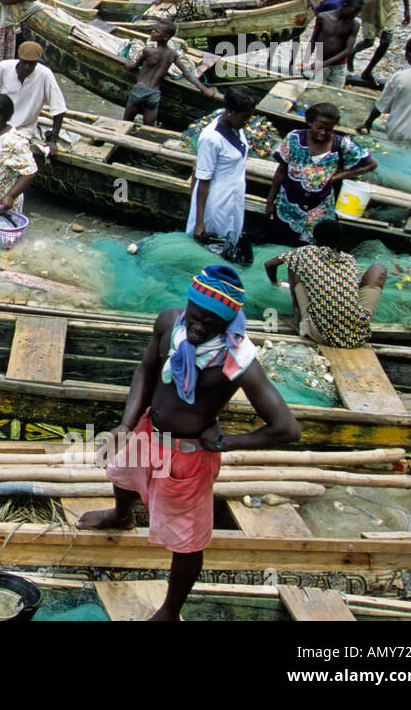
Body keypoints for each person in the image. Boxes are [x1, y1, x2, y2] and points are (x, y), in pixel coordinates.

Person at [75, 265, 300, 620]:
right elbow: (147, 370)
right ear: (187, 306)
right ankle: (121, 516)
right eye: (196, 318)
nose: (198, 328)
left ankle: (169, 610)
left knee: (187, 542)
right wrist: (126, 424)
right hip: (149, 431)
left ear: (228, 323)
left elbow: (287, 428)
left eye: (210, 325)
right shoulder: (169, 323)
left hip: (188, 456)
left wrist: (228, 441)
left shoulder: (237, 359)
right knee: (123, 476)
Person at [265, 102, 376, 246]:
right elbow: (281, 170)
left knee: (311, 253)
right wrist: (270, 202)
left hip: (320, 217)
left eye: (328, 130)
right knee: (281, 247)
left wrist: (338, 176)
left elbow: (371, 164)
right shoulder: (294, 139)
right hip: (288, 210)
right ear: (310, 122)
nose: (323, 133)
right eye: (319, 128)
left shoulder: (341, 145)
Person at [264, 219, 387, 347]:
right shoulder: (349, 261)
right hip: (356, 337)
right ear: (339, 242)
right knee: (378, 268)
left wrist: (275, 284)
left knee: (293, 263)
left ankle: (300, 318)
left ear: (315, 240)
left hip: (321, 334)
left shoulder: (304, 253)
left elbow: (269, 264)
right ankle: (350, 321)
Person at [187, 87, 257, 244]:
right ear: (231, 111)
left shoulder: (236, 127)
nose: (247, 122)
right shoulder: (211, 138)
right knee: (213, 245)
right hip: (215, 202)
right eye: (245, 117)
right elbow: (203, 180)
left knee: (230, 243)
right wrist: (199, 222)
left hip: (234, 197)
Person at [124, 20, 220, 127]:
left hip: (139, 91)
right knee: (148, 128)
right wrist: (205, 89)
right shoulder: (172, 54)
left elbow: (133, 66)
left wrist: (127, 63)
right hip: (154, 95)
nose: (152, 32)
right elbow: (187, 74)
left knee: (126, 123)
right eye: (153, 30)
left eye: (156, 31)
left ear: (165, 37)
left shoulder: (148, 51)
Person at [0, 40, 66, 150]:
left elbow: (59, 109)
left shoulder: (45, 74)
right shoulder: (4, 67)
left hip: (23, 130)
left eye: (32, 64)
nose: (27, 67)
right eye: (24, 62)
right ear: (18, 58)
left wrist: (53, 140)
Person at [300, 0, 367, 87]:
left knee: (334, 94)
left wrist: (323, 64)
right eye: (355, 11)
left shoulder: (354, 25)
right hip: (321, 62)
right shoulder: (323, 18)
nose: (356, 15)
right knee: (315, 92)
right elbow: (313, 40)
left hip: (339, 67)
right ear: (345, 5)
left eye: (358, 12)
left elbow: (347, 50)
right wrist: (305, 62)